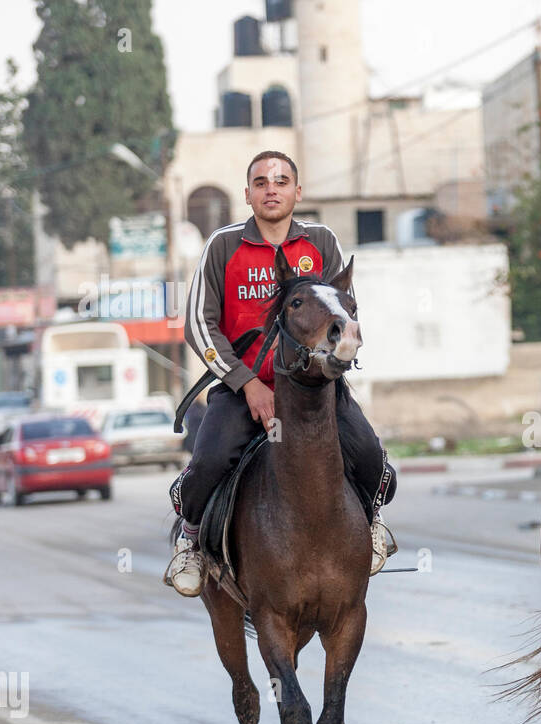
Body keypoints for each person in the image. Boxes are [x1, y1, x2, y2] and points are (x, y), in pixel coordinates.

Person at [164, 150, 395, 596]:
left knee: (369, 453)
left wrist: (331, 365)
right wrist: (246, 383)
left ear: (297, 192)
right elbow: (198, 324)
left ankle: (371, 523)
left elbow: (342, 316)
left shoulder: (322, 241)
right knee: (209, 459)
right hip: (240, 389)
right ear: (247, 194)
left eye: (282, 180)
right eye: (262, 182)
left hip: (316, 390)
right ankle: (190, 541)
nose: (272, 188)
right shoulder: (223, 245)